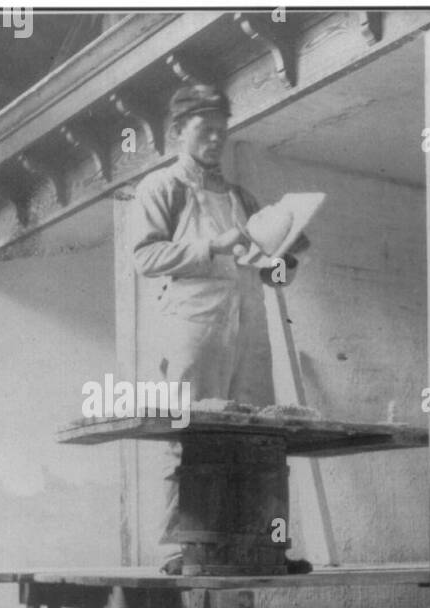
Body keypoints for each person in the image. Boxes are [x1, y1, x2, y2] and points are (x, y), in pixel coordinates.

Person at [129, 83, 308, 574]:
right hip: (194, 325)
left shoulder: (240, 197)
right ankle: (180, 548)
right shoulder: (161, 188)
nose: (216, 140)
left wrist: (283, 259)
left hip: (249, 327)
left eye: (222, 132)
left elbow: (270, 273)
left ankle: (264, 545)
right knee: (188, 434)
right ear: (177, 132)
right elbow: (145, 256)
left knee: (258, 435)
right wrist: (211, 246)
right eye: (206, 130)